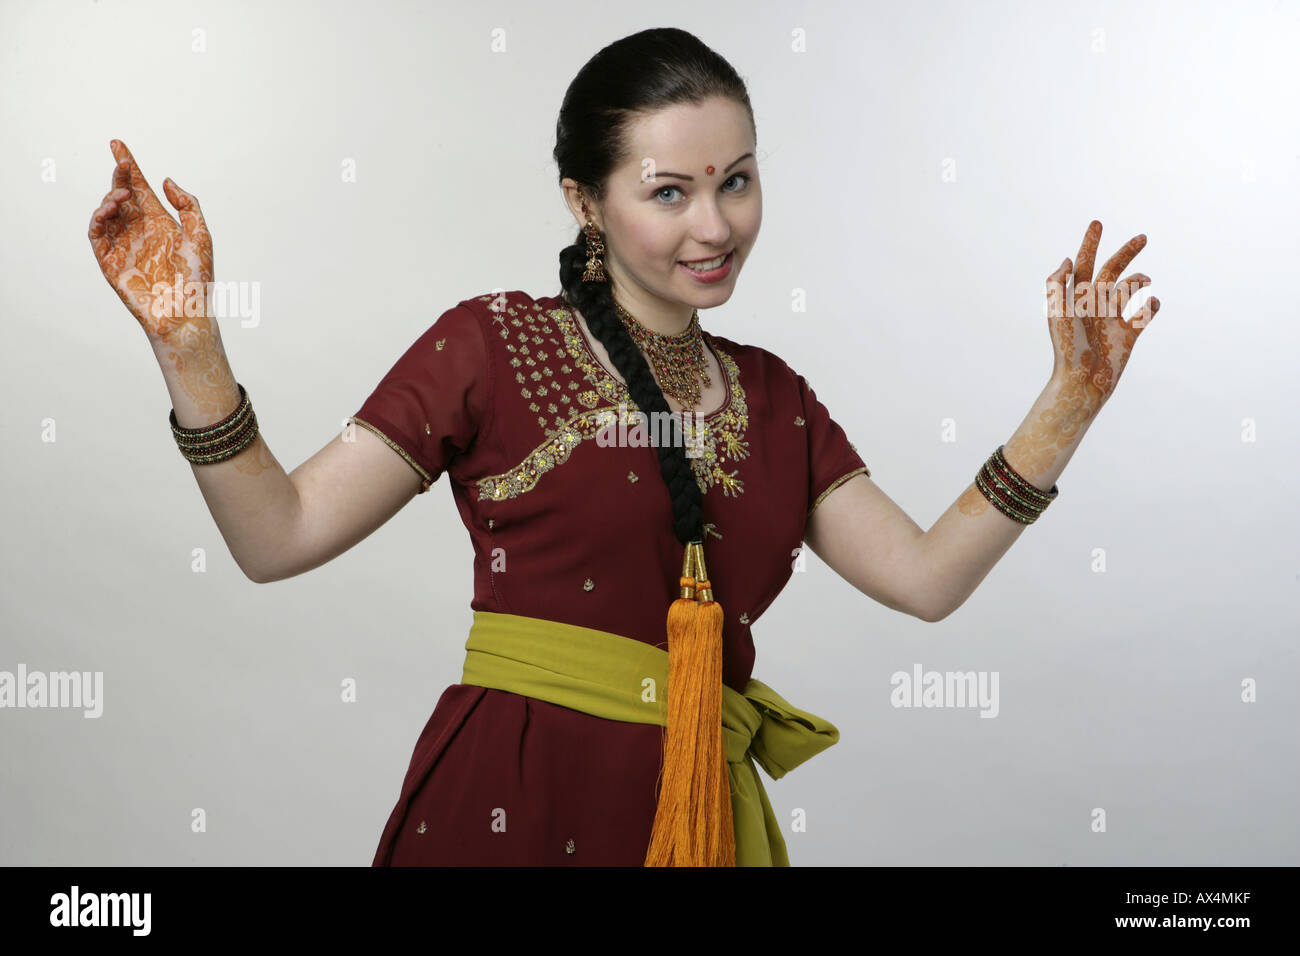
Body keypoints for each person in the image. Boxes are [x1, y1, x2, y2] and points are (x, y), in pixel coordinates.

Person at [87, 28, 1161, 867]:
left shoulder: (775, 396)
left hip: (696, 814)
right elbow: (281, 534)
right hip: (512, 799)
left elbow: (925, 579)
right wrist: (190, 346)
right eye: (669, 191)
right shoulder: (490, 343)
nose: (715, 225)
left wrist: (1066, 403)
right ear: (582, 201)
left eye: (736, 179)